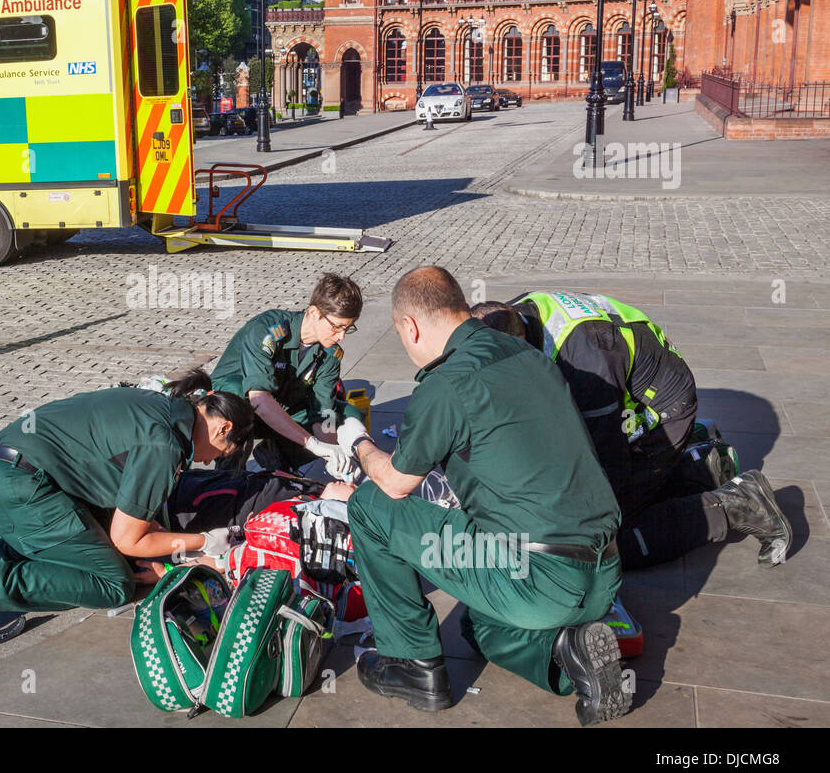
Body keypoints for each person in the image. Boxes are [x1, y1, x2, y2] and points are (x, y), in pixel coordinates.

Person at [331, 267, 629, 725]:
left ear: (409, 326)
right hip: (604, 571)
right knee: (480, 624)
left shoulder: (447, 383)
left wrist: (357, 442)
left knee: (370, 506)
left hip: (534, 576)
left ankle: (411, 666)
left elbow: (395, 483)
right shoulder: (527, 354)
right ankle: (567, 650)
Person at [471, 293, 791, 570]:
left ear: (521, 347)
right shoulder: (504, 319)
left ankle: (739, 503)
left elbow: (606, 465)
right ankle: (696, 465)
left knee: (604, 540)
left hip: (661, 407)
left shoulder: (584, 362)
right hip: (629, 386)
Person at [0, 370, 256, 625]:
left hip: (6, 470)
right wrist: (204, 541)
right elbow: (127, 540)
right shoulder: (166, 446)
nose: (206, 462)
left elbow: (127, 505)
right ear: (222, 428)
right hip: (21, 489)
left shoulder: (161, 407)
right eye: (221, 454)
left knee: (94, 552)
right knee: (114, 583)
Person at [209, 272, 364, 478]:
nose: (342, 336)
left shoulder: (330, 355)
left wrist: (333, 455)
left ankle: (280, 454)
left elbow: (323, 412)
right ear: (314, 312)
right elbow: (259, 400)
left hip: (282, 405)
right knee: (236, 397)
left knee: (346, 415)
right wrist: (313, 444)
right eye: (336, 327)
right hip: (238, 405)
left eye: (347, 328)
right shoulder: (266, 331)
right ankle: (228, 477)